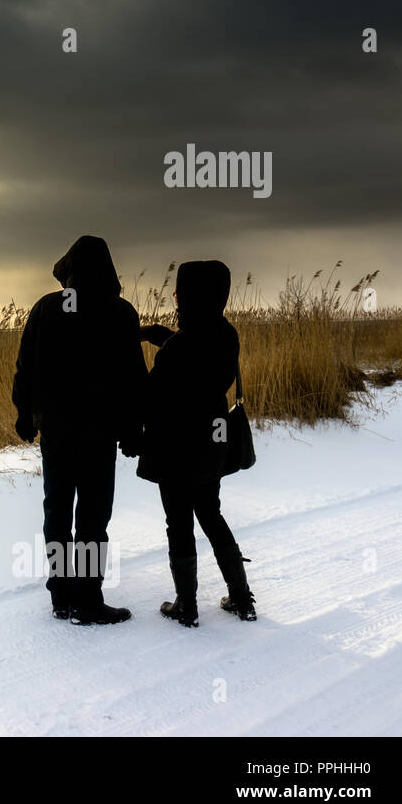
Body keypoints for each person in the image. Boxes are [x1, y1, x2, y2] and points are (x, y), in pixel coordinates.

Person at [12, 236, 146, 625]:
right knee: (91, 518)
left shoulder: (46, 308)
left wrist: (25, 415)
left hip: (56, 433)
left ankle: (61, 596)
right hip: (99, 435)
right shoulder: (120, 312)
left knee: (56, 512)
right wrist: (134, 431)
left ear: (68, 268)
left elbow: (26, 369)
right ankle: (87, 600)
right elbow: (133, 380)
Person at [138, 260, 257, 627]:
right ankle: (241, 598)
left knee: (178, 522)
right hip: (212, 441)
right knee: (210, 513)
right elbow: (193, 346)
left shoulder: (179, 349)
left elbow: (149, 395)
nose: (175, 298)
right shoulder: (225, 334)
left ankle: (186, 606)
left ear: (190, 296)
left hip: (176, 446)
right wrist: (157, 334)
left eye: (179, 293)